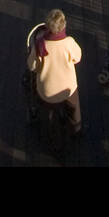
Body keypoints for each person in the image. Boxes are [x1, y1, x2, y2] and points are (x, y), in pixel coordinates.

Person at [27, 9, 82, 139]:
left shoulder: (40, 44)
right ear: (64, 25)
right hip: (67, 89)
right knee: (74, 109)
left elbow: (32, 66)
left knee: (49, 114)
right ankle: (76, 130)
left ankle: (53, 134)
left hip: (47, 91)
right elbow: (77, 57)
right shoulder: (69, 42)